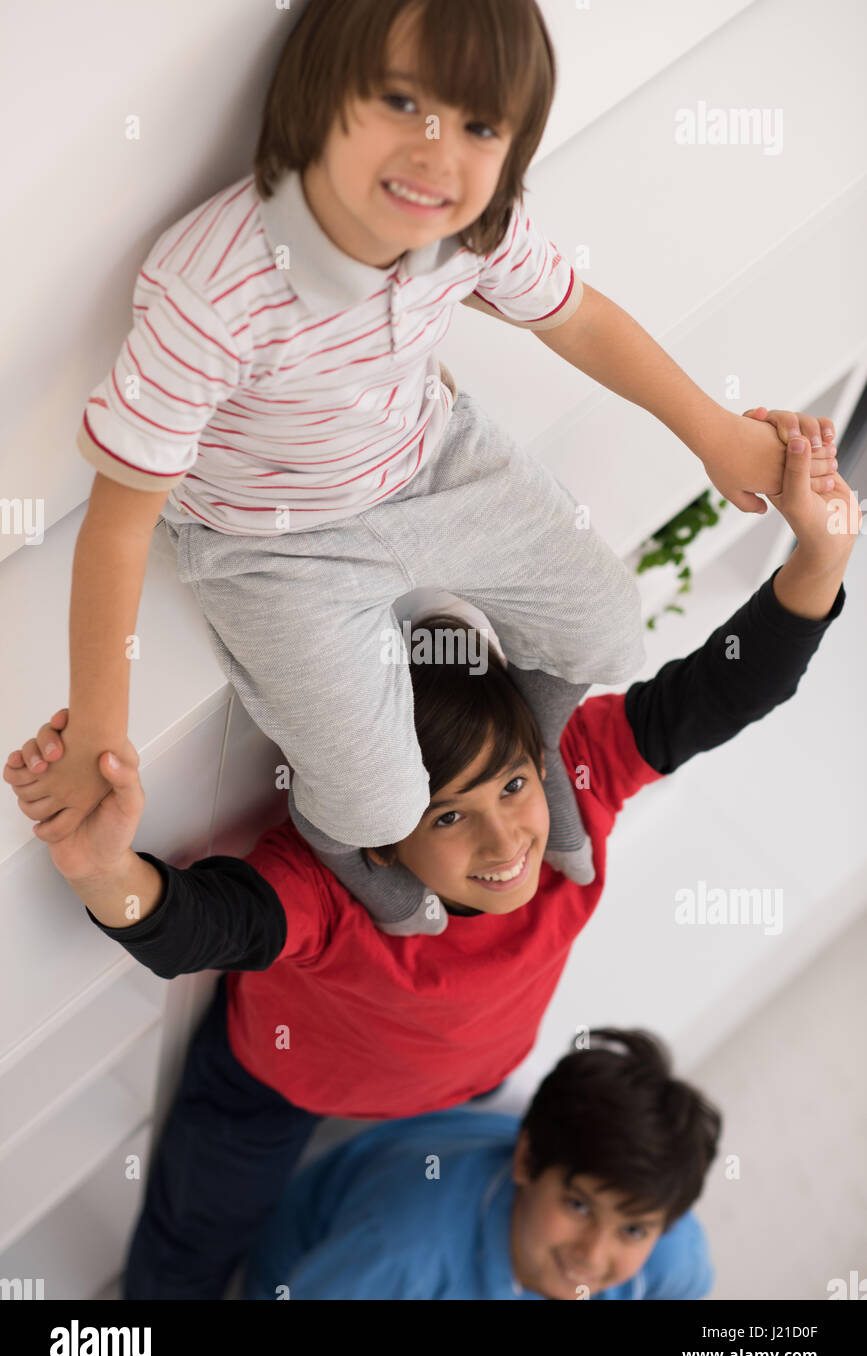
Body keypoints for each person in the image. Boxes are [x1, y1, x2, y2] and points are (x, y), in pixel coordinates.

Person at [16, 0, 839, 935]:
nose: (437, 153)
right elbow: (118, 524)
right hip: (273, 542)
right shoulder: (217, 288)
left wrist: (714, 434)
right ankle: (348, 844)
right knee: (376, 809)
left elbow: (577, 317)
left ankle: (537, 750)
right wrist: (98, 731)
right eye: (401, 102)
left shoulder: (473, 222)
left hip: (434, 461)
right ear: (318, 92)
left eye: (480, 126)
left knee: (609, 634)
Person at [5, 432, 859, 1299]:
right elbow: (202, 925)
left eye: (512, 787)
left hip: (462, 1083)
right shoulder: (333, 885)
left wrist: (821, 551)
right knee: (187, 1250)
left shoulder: (574, 779)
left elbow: (720, 691)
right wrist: (98, 866)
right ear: (380, 837)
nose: (505, 841)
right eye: (447, 814)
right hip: (277, 1081)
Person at [241, 1028, 721, 1301]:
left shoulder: (673, 1259)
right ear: (526, 1161)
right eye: (578, 1206)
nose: (592, 1256)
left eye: (633, 1230)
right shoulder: (398, 1252)